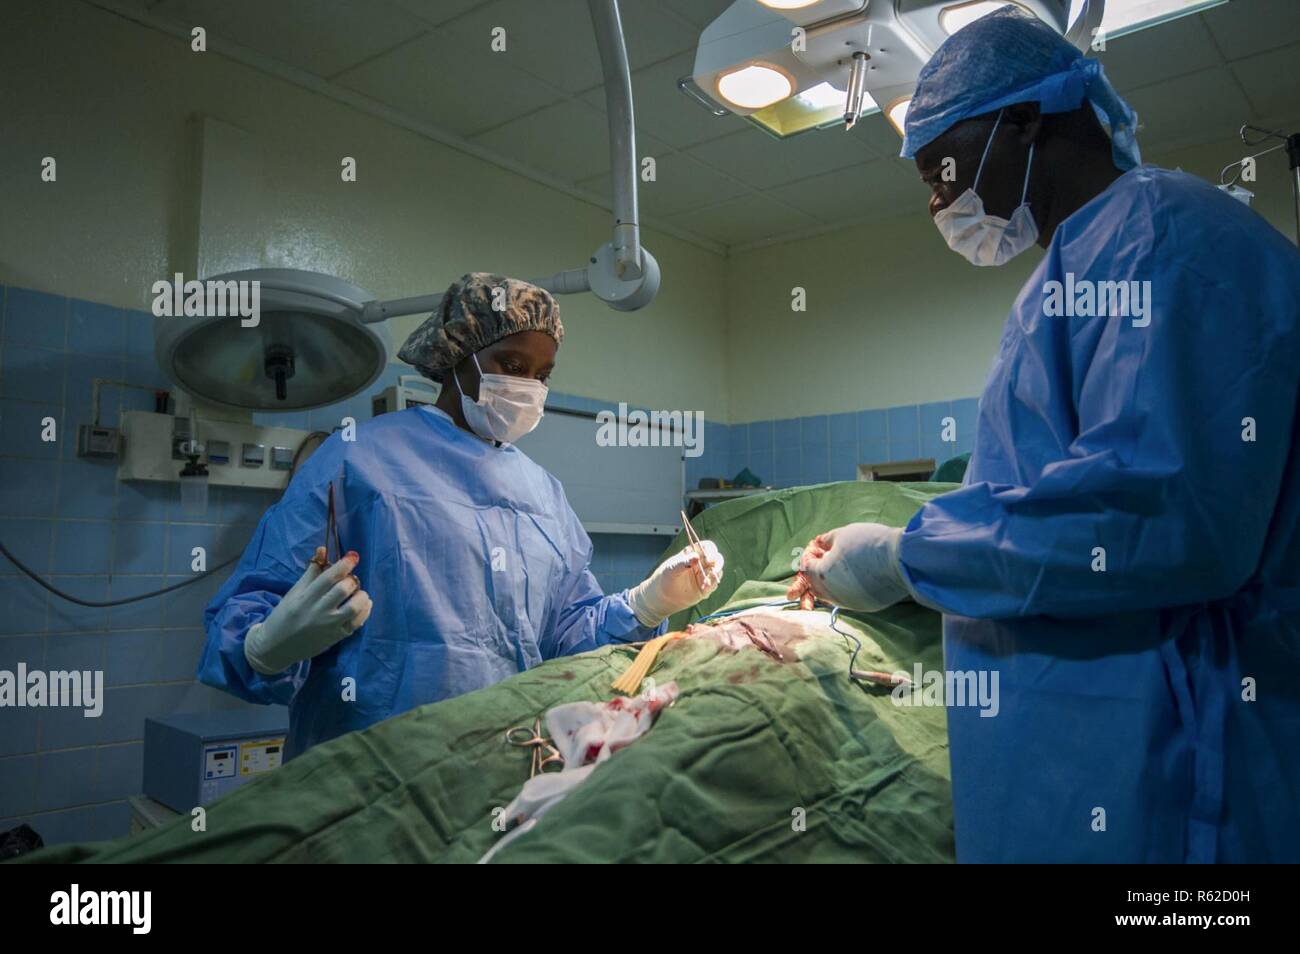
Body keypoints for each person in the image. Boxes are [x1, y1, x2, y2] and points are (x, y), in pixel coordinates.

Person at [791, 7, 1300, 862]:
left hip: (1172, 789)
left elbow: (1151, 519)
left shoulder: (1162, 240)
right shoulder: (1079, 272)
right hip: (1081, 771)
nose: (935, 199)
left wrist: (906, 556)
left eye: (939, 166)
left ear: (1025, 119)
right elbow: (1053, 499)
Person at [200, 273, 723, 757]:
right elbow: (245, 620)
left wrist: (648, 602)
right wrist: (266, 647)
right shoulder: (355, 461)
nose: (529, 388)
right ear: (457, 356)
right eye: (512, 367)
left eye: (542, 375)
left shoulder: (542, 493)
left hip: (505, 758)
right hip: (368, 769)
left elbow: (566, 635)